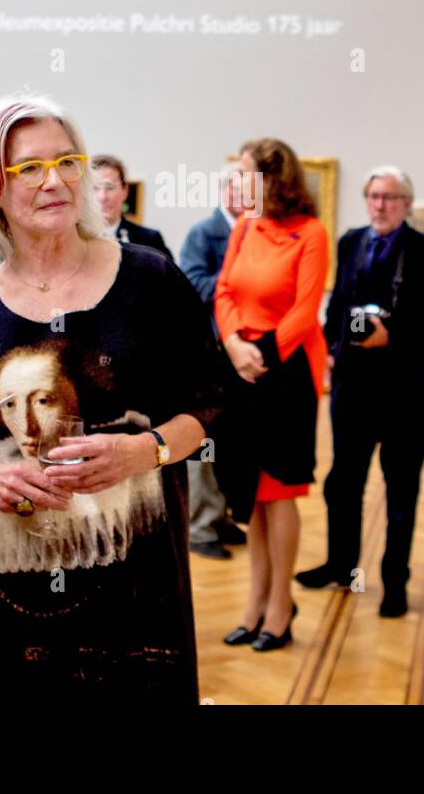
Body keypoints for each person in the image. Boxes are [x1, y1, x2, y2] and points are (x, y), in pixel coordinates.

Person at [0, 93, 222, 704]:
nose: (55, 180)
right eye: (29, 167)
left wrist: (149, 449)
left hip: (138, 592)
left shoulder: (149, 280)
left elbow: (212, 401)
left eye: (68, 161)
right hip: (13, 601)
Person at [297, 165, 424, 618]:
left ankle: (395, 585)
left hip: (403, 391)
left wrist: (394, 334)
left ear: (406, 203)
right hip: (352, 387)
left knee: (400, 490)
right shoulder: (351, 242)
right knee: (342, 483)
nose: (379, 205)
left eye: (388, 197)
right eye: (373, 196)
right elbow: (338, 303)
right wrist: (331, 346)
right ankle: (341, 566)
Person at [214, 138, 327, 652]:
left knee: (279, 491)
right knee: (252, 493)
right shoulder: (243, 228)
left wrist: (263, 356)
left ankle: (280, 606)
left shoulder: (311, 232)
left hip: (288, 370)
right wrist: (236, 344)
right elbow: (224, 292)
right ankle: (255, 602)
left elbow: (306, 311)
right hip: (242, 364)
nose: (237, 182)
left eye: (244, 173)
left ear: (272, 178)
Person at [178, 162, 249, 560]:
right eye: (239, 190)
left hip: (239, 356)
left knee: (229, 442)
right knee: (202, 442)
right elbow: (191, 282)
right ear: (226, 192)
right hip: (207, 353)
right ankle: (200, 526)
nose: (246, 198)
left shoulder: (254, 232)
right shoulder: (204, 233)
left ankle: (220, 514)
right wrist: (240, 283)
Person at [91, 154, 172, 257]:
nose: (102, 197)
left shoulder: (149, 240)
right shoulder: (73, 238)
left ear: (125, 191)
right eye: (95, 188)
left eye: (109, 187)